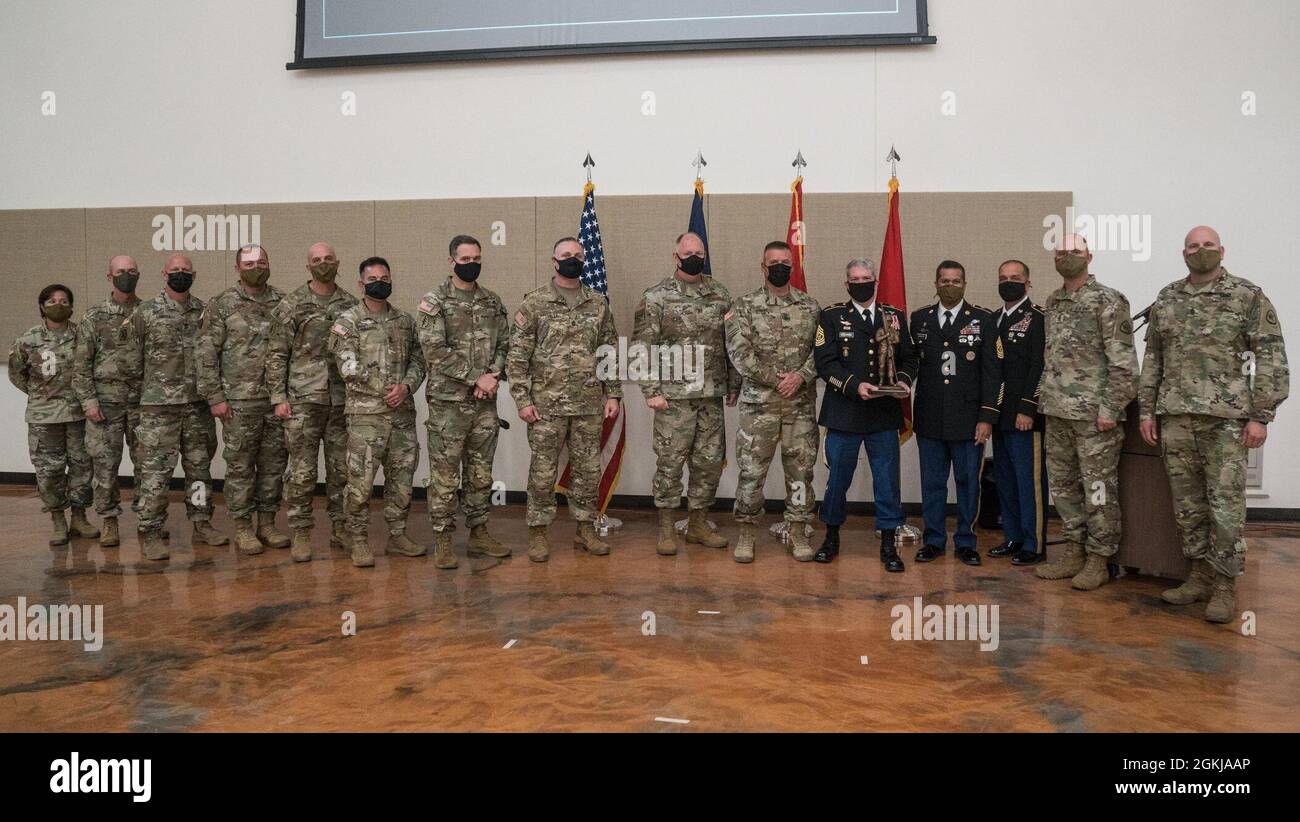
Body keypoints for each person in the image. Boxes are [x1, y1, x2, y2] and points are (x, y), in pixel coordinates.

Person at [1139, 226, 1289, 623]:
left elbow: (1271, 355)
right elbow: (1153, 358)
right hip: (1175, 417)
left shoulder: (1247, 295)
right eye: (1193, 246)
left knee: (1225, 508)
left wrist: (1261, 415)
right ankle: (1198, 576)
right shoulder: (1168, 297)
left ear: (1222, 250)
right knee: (1188, 506)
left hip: (1226, 421)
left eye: (1208, 245)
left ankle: (1225, 584)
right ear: (1182, 253)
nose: (1200, 251)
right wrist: (1146, 410)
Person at [507, 237, 622, 563]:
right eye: (566, 256)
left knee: (587, 470)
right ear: (554, 262)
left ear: (584, 260)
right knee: (543, 472)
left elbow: (607, 351)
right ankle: (538, 533)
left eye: (577, 255)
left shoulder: (597, 303)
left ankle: (585, 529)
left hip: (588, 404)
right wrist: (521, 399)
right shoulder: (534, 303)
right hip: (546, 406)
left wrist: (612, 392)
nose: (572, 259)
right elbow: (517, 357)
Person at [1035, 233, 1138, 589]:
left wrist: (1111, 408)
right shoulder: (1054, 301)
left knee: (1098, 489)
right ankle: (1074, 551)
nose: (1067, 256)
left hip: (1096, 417)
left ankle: (1099, 558)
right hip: (1058, 411)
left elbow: (1124, 365)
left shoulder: (1108, 300)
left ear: (1089, 256)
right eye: (1061, 252)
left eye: (1074, 251)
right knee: (1064, 489)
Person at [632, 231, 739, 556]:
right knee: (670, 463)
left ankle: (697, 524)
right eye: (688, 252)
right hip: (672, 399)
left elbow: (731, 342)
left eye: (699, 252)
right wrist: (651, 390)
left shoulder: (719, 294)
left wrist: (734, 383)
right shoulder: (657, 297)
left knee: (707, 464)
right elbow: (641, 347)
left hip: (710, 396)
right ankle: (666, 528)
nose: (695, 257)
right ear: (676, 257)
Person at [121, 254, 228, 560]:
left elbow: (215, 356)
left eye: (186, 271)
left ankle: (201, 523)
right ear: (163, 275)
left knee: (198, 471)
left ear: (194, 274)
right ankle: (152, 531)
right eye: (175, 271)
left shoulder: (204, 312)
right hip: (158, 409)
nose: (181, 275)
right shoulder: (146, 312)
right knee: (156, 475)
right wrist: (150, 394)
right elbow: (130, 361)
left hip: (196, 407)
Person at [814, 259, 918, 570]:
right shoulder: (832, 316)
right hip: (844, 412)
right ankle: (831, 536)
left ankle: (888, 543)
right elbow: (825, 363)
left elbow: (910, 357)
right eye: (855, 279)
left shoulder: (894, 317)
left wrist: (903, 380)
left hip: (883, 413)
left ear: (875, 281)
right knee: (837, 481)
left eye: (867, 278)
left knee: (887, 481)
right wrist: (854, 386)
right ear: (847, 284)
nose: (862, 283)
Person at [416, 234, 511, 569]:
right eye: (466, 259)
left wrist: (493, 376)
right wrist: (476, 377)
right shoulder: (434, 302)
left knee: (480, 473)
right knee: (444, 476)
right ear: (451, 261)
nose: (472, 264)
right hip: (448, 405)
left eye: (477, 259)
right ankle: (443, 538)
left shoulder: (492, 301)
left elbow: (505, 344)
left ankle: (479, 531)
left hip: (484, 404)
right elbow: (434, 351)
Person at [725, 241, 820, 562]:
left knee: (801, 473)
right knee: (751, 473)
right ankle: (747, 533)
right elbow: (739, 353)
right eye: (773, 262)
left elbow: (822, 352)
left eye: (785, 262)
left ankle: (797, 531)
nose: (780, 267)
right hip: (759, 407)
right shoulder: (744, 306)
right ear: (763, 267)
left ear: (792, 267)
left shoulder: (810, 307)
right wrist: (776, 379)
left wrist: (801, 376)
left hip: (800, 407)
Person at [330, 256, 426, 568]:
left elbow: (418, 361)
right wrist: (385, 387)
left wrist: (407, 387)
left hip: (401, 416)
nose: (380, 282)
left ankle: (397, 534)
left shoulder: (405, 321)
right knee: (360, 483)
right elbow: (347, 365)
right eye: (373, 278)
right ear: (361, 284)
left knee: (401, 479)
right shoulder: (348, 322)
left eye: (385, 277)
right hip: (366, 417)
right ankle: (357, 538)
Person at [267, 241, 358, 561]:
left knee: (341, 471)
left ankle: (340, 527)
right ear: (308, 266)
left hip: (341, 401)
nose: (323, 264)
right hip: (303, 400)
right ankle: (301, 531)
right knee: (302, 472)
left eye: (328, 259)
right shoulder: (292, 304)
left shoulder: (350, 304)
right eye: (317, 260)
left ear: (338, 262)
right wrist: (278, 397)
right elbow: (277, 353)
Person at [197, 244, 289, 555]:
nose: (256, 267)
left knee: (274, 466)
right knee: (240, 468)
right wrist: (215, 398)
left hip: (275, 401)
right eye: (248, 264)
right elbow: (206, 353)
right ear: (237, 269)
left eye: (261, 262)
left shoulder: (282, 302)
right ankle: (242, 527)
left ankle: (267, 523)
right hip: (238, 403)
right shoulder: (222, 304)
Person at [910, 260, 999, 566]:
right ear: (935, 284)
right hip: (930, 418)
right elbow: (912, 363)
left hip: (968, 421)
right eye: (944, 281)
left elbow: (992, 373)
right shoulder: (919, 319)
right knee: (932, 483)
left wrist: (987, 417)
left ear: (965, 283)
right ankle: (933, 540)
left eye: (956, 281)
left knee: (968, 483)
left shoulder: (983, 320)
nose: (950, 286)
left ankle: (966, 541)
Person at [9, 284, 97, 545]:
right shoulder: (28, 339)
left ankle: (79, 517)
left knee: (82, 467)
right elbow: (17, 375)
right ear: (41, 307)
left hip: (79, 414)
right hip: (44, 417)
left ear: (71, 306)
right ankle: (58, 519)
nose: (57, 304)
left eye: (63, 300)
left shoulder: (84, 335)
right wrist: (42, 396)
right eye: (51, 301)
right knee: (49, 471)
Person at [73, 255, 147, 548]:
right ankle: (109, 522)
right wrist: (89, 402)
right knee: (105, 466)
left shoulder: (148, 312)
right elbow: (80, 367)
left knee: (147, 465)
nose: (126, 276)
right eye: (120, 272)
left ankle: (147, 519)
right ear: (109, 277)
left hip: (143, 404)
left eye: (131, 271)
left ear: (139, 275)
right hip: (105, 406)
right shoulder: (94, 317)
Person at [980, 259, 1049, 565]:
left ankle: (1034, 545)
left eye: (1016, 277)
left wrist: (1028, 408)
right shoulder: (992, 319)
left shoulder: (1037, 318)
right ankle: (1013, 537)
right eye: (1003, 277)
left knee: (1028, 482)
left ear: (1028, 284)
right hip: (1000, 416)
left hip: (1024, 417)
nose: (1009, 282)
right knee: (1005, 480)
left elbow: (1040, 366)